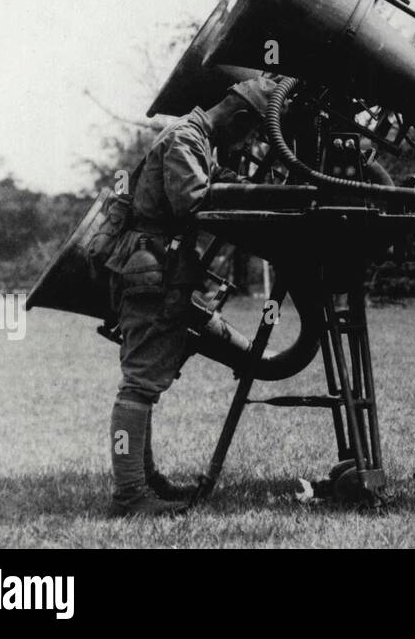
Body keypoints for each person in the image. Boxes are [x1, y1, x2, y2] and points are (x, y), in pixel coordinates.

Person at [104, 77, 275, 516]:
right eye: (251, 132)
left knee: (144, 384)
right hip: (153, 268)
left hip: (162, 266)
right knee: (139, 386)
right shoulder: (185, 138)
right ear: (239, 118)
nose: (247, 142)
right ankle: (129, 495)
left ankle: (144, 481)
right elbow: (192, 201)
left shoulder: (197, 139)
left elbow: (215, 179)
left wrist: (253, 186)